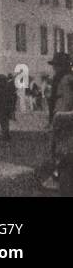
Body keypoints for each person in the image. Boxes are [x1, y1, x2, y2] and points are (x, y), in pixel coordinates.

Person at [49, 52, 73, 196]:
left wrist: (58, 117)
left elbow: (64, 104)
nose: (54, 69)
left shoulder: (65, 80)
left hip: (66, 133)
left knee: (66, 174)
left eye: (56, 66)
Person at [0, 73, 17, 142]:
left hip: (1, 108)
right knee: (6, 121)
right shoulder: (9, 87)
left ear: (0, 80)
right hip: (8, 107)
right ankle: (6, 134)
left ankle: (5, 135)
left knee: (2, 121)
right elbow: (14, 97)